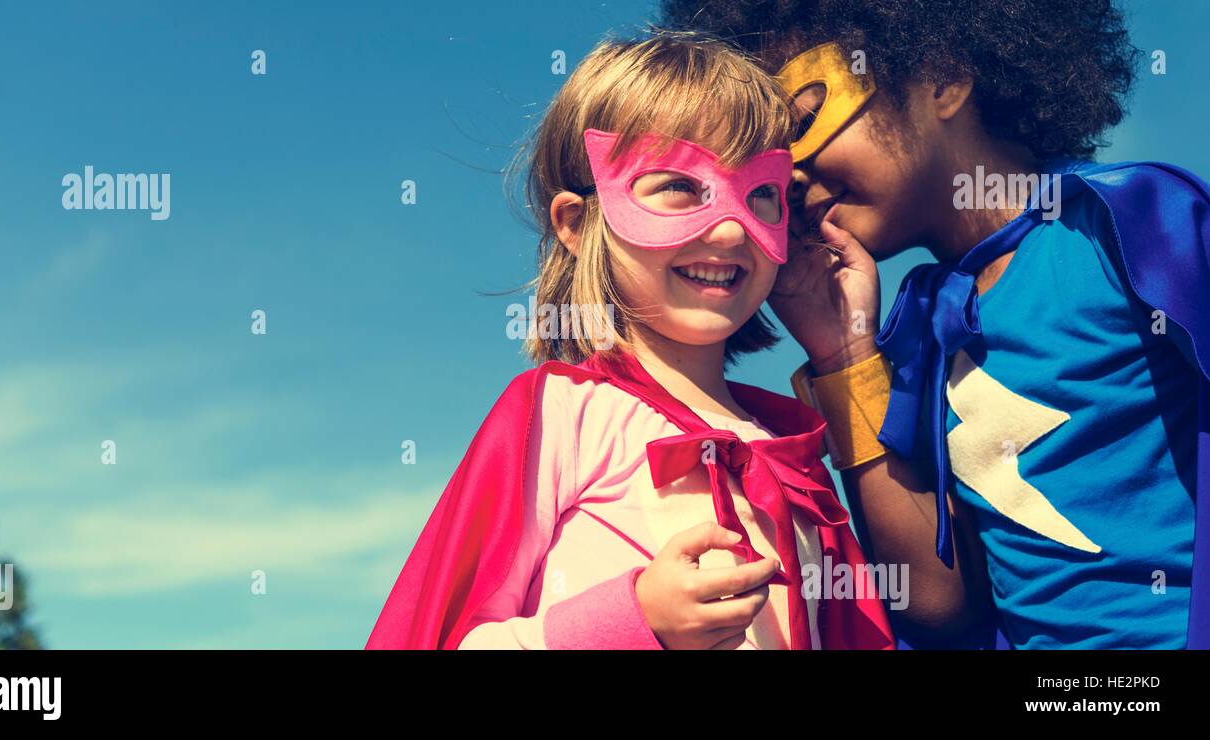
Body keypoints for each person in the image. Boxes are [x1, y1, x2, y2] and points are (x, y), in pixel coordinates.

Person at [662, 0, 1210, 648]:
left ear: (944, 78)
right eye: (775, 163)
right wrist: (845, 356)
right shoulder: (921, 327)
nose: (795, 177)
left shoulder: (1132, 223)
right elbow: (936, 606)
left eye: (807, 123)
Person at [366, 31, 895, 650]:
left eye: (759, 195)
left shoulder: (793, 447)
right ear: (576, 221)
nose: (729, 231)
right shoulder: (562, 413)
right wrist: (634, 619)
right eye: (677, 186)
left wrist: (845, 350)